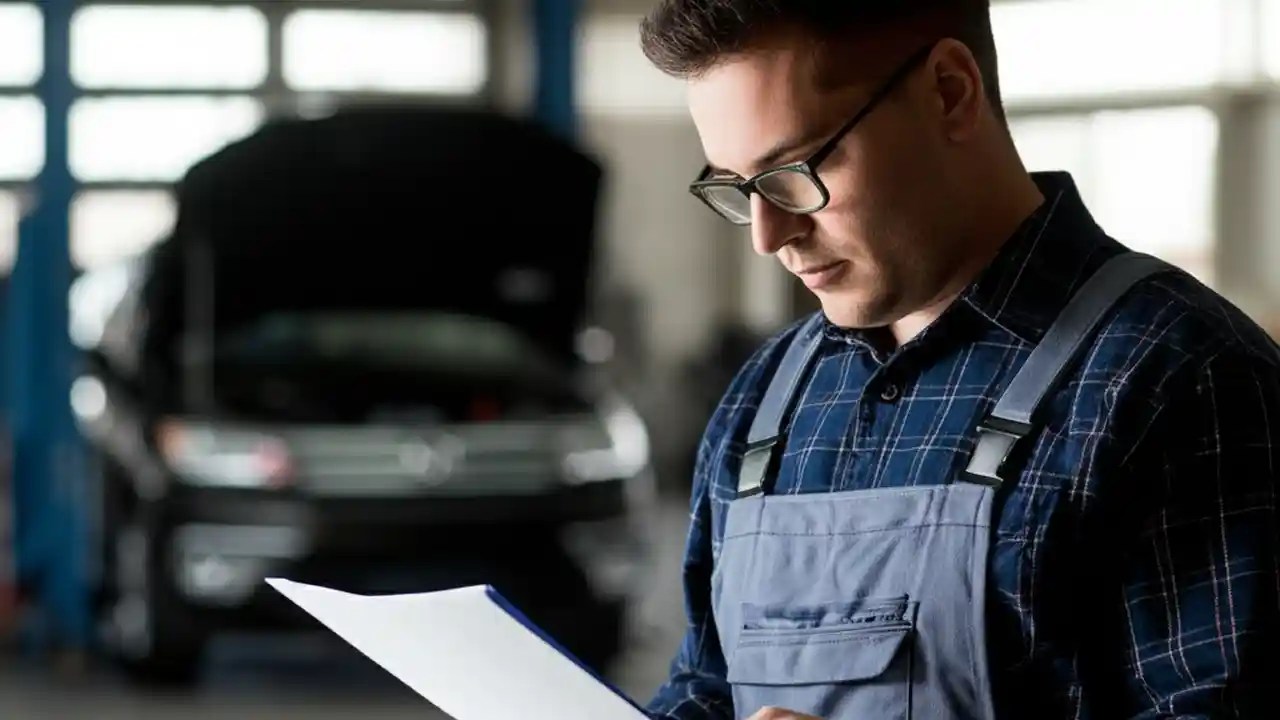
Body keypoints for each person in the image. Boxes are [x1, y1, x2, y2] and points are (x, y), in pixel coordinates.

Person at [635, 1, 1280, 719]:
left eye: (796, 169)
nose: (769, 234)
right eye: (738, 187)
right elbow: (707, 687)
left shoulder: (1178, 379)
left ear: (949, 90)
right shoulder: (765, 402)